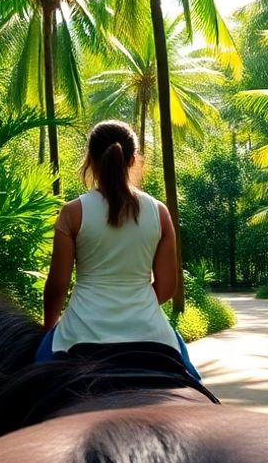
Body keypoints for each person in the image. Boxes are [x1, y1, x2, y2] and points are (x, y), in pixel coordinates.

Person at [37, 120, 201, 381]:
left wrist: (48, 328)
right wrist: (134, 304)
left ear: (90, 159)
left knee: (30, 391)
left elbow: (57, 285)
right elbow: (167, 287)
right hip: (150, 331)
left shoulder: (73, 212)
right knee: (195, 383)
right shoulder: (159, 212)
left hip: (80, 332)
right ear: (133, 159)